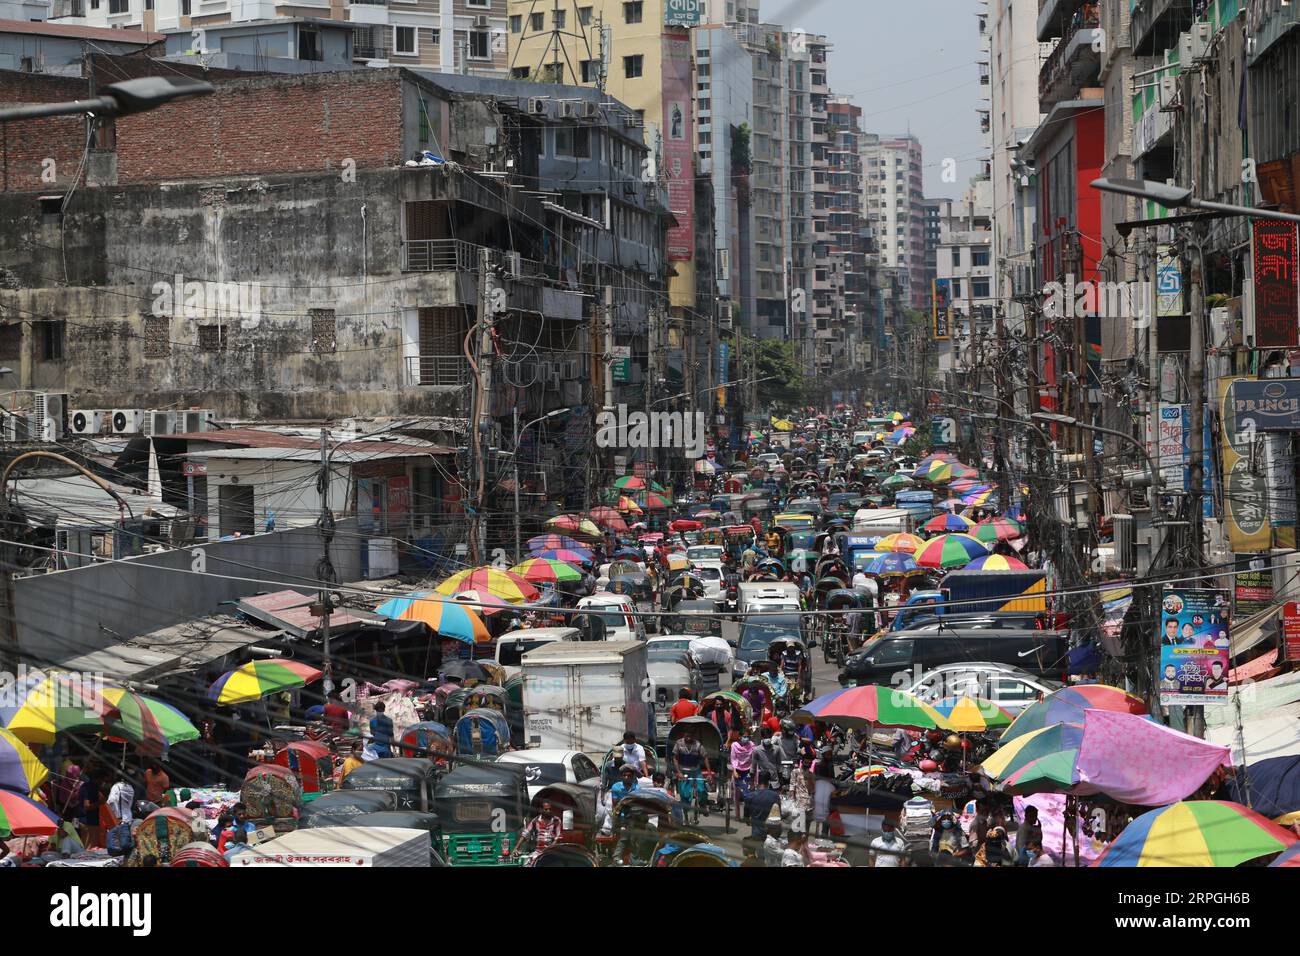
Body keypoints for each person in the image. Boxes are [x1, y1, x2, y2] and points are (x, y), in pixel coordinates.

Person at [671, 731, 711, 817]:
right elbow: (675, 758)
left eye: (690, 736)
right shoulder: (678, 744)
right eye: (687, 735)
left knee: (701, 789)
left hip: (695, 771)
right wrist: (679, 772)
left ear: (693, 736)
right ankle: (685, 810)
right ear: (684, 735)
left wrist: (709, 773)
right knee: (683, 792)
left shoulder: (698, 745)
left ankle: (703, 805)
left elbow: (705, 757)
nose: (689, 737)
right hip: (683, 771)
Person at [744, 773, 782, 838]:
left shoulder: (750, 796)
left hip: (756, 834)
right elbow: (779, 814)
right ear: (768, 783)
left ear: (758, 782)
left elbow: (746, 816)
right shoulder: (775, 796)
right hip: (771, 834)